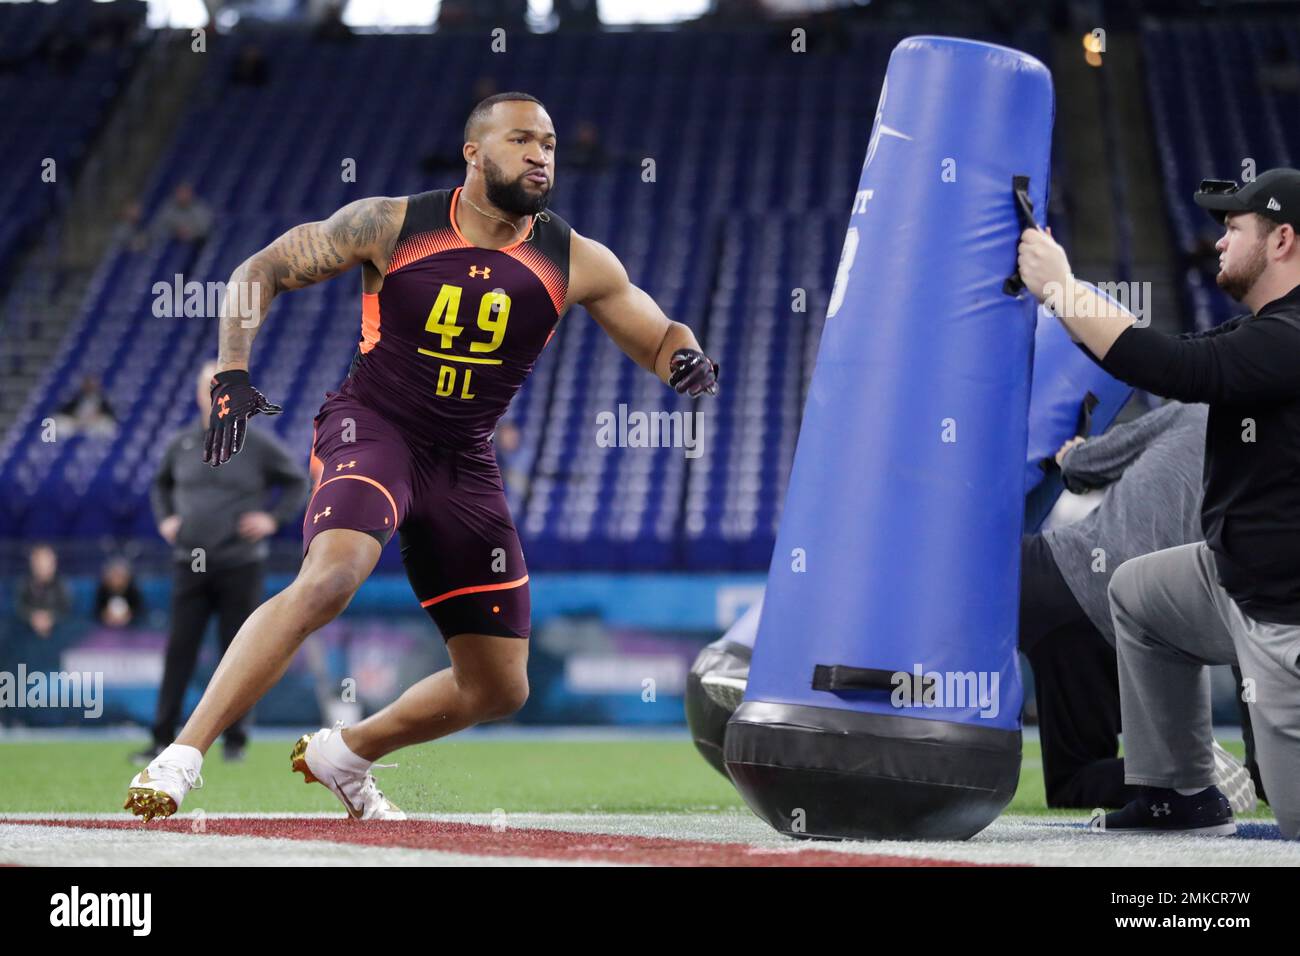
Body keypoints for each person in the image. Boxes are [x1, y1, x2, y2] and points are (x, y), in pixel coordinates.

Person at [124, 92, 720, 821]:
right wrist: (233, 373)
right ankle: (183, 753)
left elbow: (659, 335)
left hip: (464, 462)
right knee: (333, 576)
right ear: (473, 152)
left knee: (501, 687)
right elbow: (261, 269)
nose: (541, 156)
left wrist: (685, 359)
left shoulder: (573, 258)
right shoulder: (393, 223)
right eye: (523, 140)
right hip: (374, 426)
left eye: (551, 143)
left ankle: (344, 755)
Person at [1016, 167, 1300, 838]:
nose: (1220, 243)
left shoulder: (1291, 337)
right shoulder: (1262, 333)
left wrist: (1060, 286)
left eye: (1233, 228)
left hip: (1286, 618)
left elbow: (1170, 369)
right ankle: (1177, 793)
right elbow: (1164, 353)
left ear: (1284, 238)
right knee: (1139, 589)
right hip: (1236, 583)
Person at [1022, 402, 1257, 812]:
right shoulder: (1277, 471)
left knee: (967, 575)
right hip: (1141, 634)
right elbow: (1256, 622)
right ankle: (1189, 776)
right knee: (1075, 780)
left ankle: (897, 696)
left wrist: (1071, 453)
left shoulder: (1192, 413)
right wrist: (1261, 769)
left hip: (1062, 582)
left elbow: (1083, 467)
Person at [134, 360, 311, 766]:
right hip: (188, 565)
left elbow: (298, 482)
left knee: (240, 653)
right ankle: (162, 738)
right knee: (180, 650)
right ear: (200, 396)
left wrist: (272, 518)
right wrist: (166, 520)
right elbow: (160, 486)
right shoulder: (180, 444)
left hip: (240, 564)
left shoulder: (257, 444)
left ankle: (236, 740)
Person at [93, 556, 143, 629]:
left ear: (127, 577)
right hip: (105, 629)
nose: (117, 580)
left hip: (130, 629)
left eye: (120, 576)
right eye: (114, 575)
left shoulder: (133, 591)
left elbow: (139, 610)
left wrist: (129, 616)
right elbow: (97, 610)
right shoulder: (102, 590)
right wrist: (104, 616)